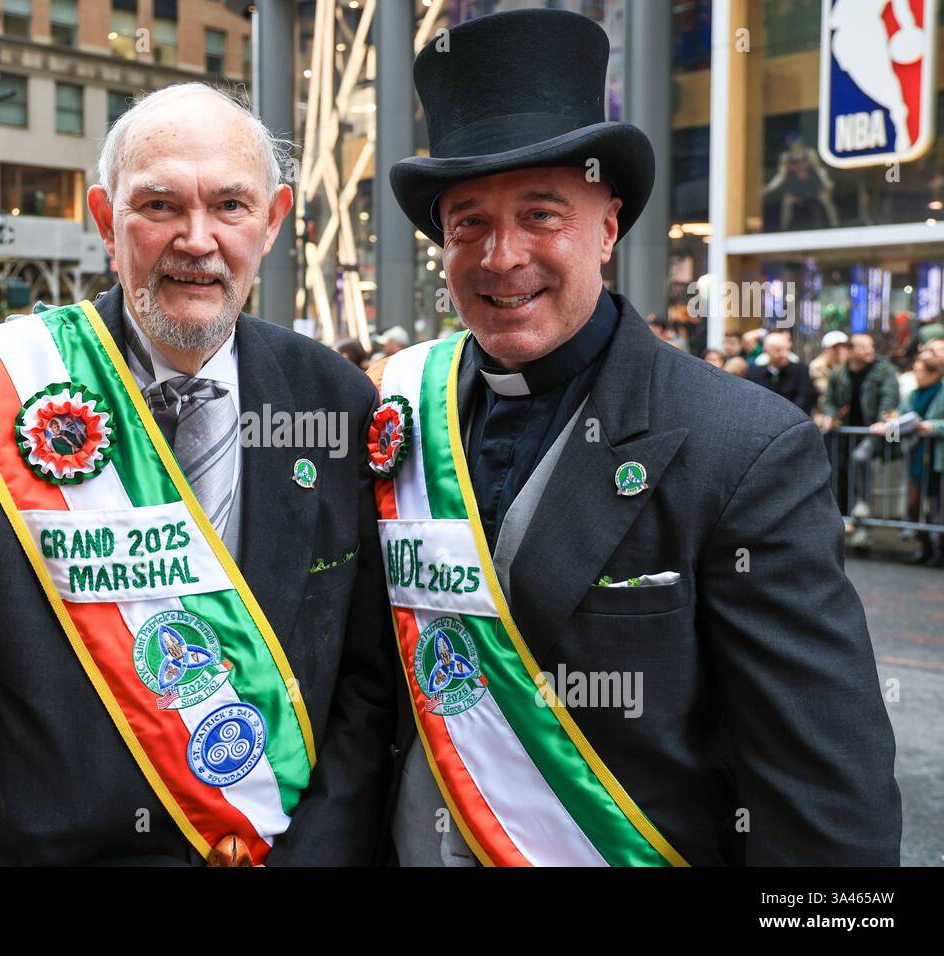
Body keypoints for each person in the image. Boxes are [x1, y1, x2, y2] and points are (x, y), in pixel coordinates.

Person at [377, 8, 898, 866]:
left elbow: (823, 794)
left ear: (608, 226)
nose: (502, 256)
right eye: (468, 221)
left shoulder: (747, 447)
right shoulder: (398, 413)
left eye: (542, 214)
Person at [0, 82, 395, 866]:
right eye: (159, 205)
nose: (196, 240)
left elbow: (366, 686)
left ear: (272, 223)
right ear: (105, 221)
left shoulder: (336, 398)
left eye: (231, 206)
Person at [821, 332, 901, 540]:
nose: (869, 350)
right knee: (840, 473)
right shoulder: (838, 373)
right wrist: (830, 416)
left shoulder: (884, 371)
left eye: (871, 346)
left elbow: (889, 397)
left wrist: (882, 420)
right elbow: (829, 400)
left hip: (874, 431)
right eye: (864, 347)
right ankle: (848, 523)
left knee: (860, 458)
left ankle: (863, 512)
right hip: (845, 433)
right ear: (850, 351)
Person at [871, 354, 944, 565]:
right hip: (917, 455)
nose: (916, 374)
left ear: (934, 373)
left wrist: (934, 427)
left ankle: (941, 548)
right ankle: (925, 544)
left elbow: (936, 424)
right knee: (913, 503)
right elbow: (902, 419)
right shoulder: (913, 394)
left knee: (940, 507)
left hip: (939, 458)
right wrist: (890, 424)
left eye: (920, 370)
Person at [747, 331, 817, 414]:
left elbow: (805, 397)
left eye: (786, 349)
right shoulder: (754, 373)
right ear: (766, 351)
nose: (784, 354)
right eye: (778, 350)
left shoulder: (800, 370)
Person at [810, 330, 849, 410]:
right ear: (825, 350)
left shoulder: (852, 365)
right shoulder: (817, 368)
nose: (840, 351)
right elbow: (830, 393)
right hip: (824, 415)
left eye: (843, 347)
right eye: (835, 348)